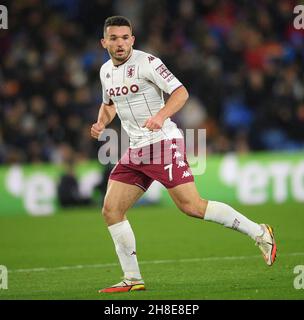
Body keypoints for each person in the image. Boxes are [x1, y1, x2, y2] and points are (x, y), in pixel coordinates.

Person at [91, 16, 277, 293]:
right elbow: (109, 104)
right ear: (104, 42)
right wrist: (101, 122)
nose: (120, 43)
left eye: (125, 37)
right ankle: (132, 278)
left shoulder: (148, 63)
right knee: (111, 210)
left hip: (163, 142)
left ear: (133, 39)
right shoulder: (106, 71)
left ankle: (260, 232)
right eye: (114, 38)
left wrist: (161, 115)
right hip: (136, 149)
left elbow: (180, 92)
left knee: (192, 206)